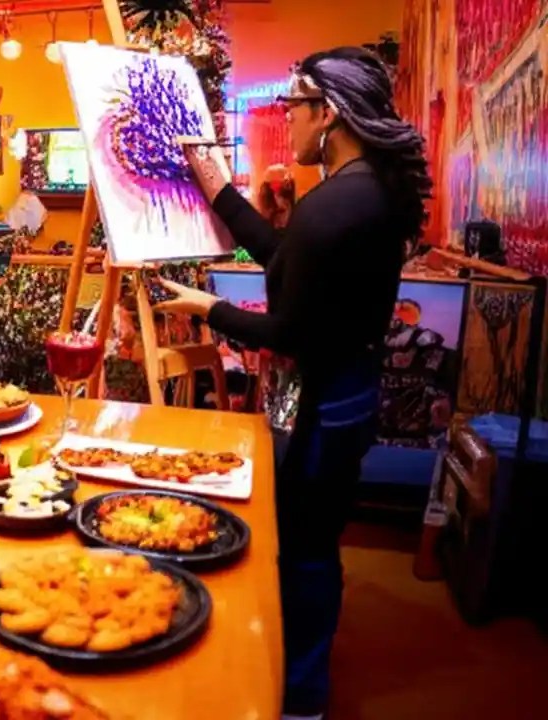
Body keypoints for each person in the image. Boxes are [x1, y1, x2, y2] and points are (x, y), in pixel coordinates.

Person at [154, 47, 432, 720]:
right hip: (348, 392)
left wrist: (205, 309)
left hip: (321, 403)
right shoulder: (367, 192)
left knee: (304, 550)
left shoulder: (335, 204)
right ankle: (302, 677)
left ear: (328, 112)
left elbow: (287, 331)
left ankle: (301, 695)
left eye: (294, 107)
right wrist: (217, 189)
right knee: (315, 540)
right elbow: (287, 258)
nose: (289, 122)